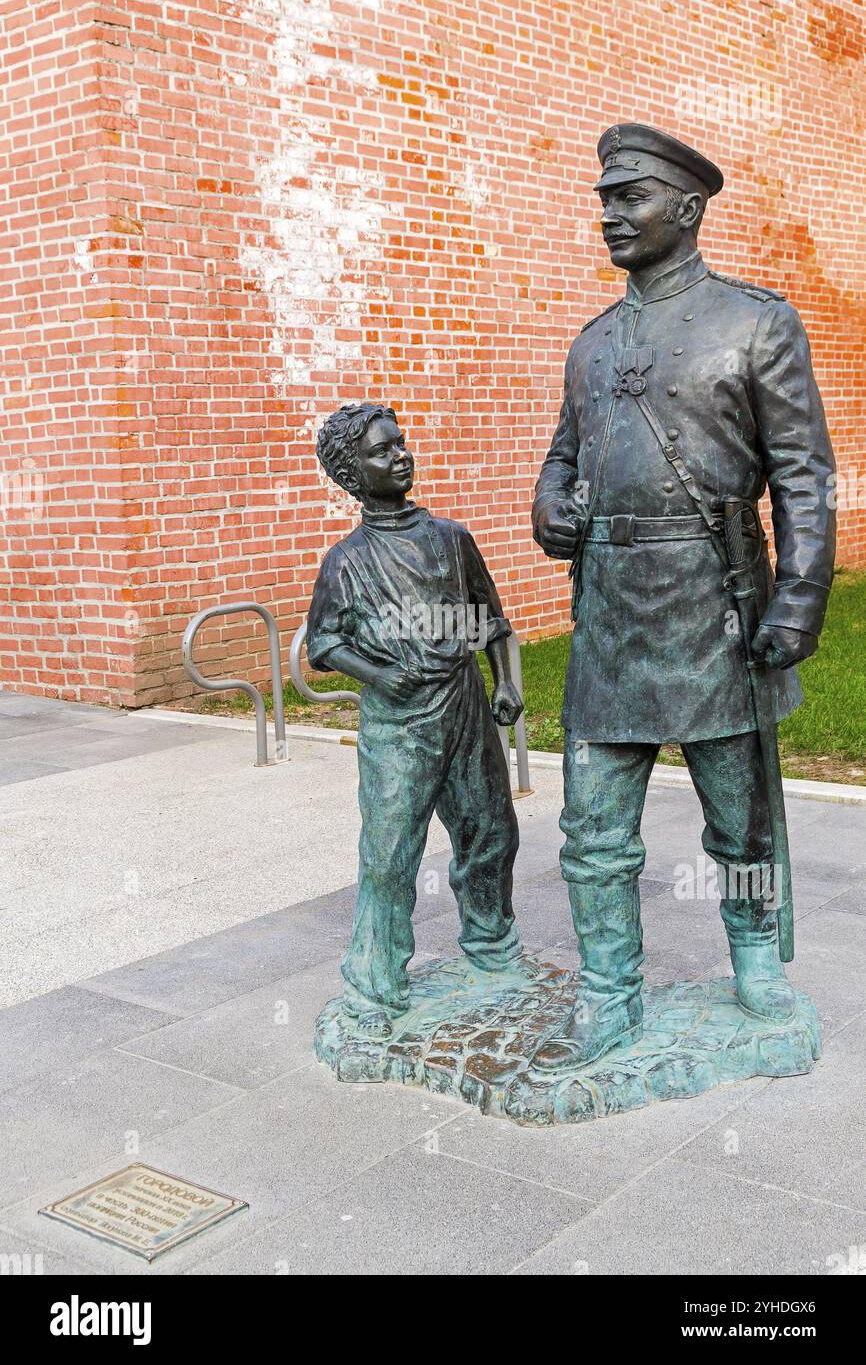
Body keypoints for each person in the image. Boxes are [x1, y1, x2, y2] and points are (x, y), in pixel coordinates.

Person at [531, 123, 836, 1071]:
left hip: (716, 609)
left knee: (736, 819)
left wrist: (797, 603)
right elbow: (562, 457)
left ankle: (753, 961)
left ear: (689, 207)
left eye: (631, 198)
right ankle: (610, 990)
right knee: (592, 825)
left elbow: (804, 475)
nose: (609, 215)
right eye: (606, 199)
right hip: (612, 617)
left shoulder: (755, 322)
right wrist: (550, 506)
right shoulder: (591, 344)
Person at [307, 402, 524, 1038]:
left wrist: (506, 681)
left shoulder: (451, 540)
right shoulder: (347, 561)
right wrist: (379, 674)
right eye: (381, 451)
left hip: (464, 706)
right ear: (353, 473)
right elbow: (323, 645)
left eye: (400, 443)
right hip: (398, 723)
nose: (400, 455)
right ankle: (375, 979)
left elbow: (494, 620)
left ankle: (491, 947)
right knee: (389, 852)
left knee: (490, 831)